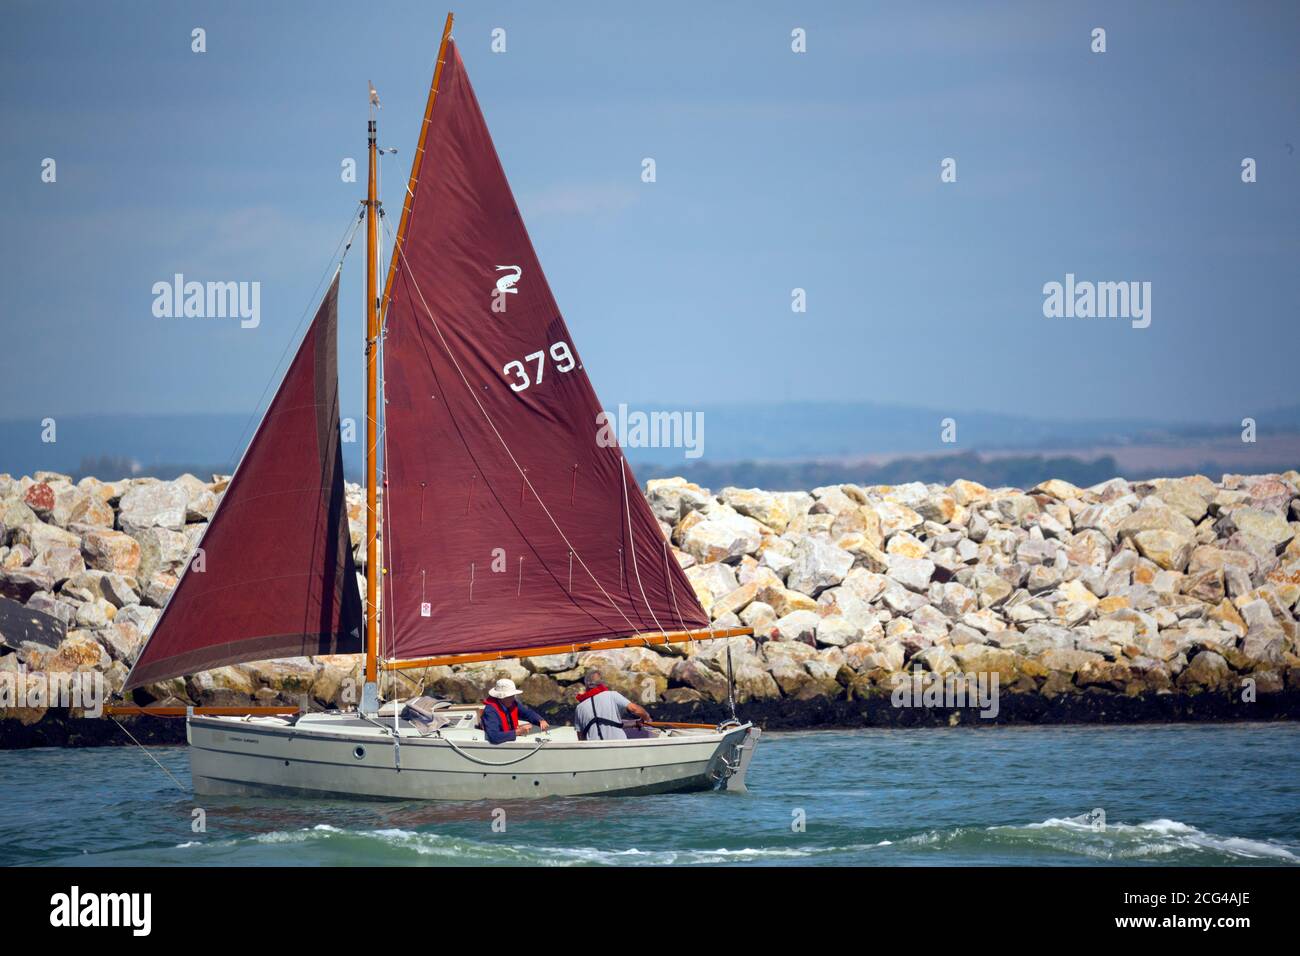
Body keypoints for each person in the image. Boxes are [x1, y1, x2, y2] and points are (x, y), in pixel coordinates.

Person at [573, 669, 650, 741]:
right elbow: (634, 709)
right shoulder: (612, 695)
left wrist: (635, 723)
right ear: (602, 683)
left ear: (586, 684)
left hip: (595, 751)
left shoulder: (580, 708)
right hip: (618, 746)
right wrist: (647, 717)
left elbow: (581, 738)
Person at [479, 678, 549, 744]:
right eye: (510, 696)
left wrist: (540, 720)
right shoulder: (490, 711)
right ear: (501, 697)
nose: (513, 698)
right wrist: (518, 732)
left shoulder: (512, 703)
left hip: (508, 738)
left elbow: (527, 713)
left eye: (513, 695)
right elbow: (494, 736)